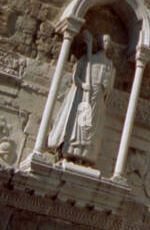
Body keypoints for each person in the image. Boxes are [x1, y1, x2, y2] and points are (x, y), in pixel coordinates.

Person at [47, 33, 117, 165]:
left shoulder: (109, 64)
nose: (107, 43)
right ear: (100, 42)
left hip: (97, 97)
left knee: (91, 127)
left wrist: (104, 90)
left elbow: (109, 85)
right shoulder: (88, 59)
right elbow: (76, 76)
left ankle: (84, 155)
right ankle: (70, 151)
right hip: (84, 94)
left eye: (109, 42)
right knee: (79, 123)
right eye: (105, 40)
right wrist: (83, 84)